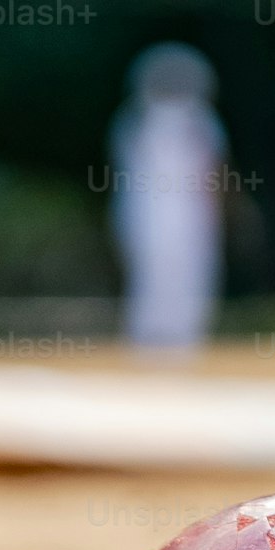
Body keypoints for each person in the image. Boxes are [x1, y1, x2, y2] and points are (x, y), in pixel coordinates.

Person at [110, 44, 225, 354]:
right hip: (168, 213)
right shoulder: (195, 122)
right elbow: (211, 176)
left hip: (156, 213)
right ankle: (173, 339)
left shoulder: (134, 121)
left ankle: (155, 339)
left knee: (158, 276)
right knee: (176, 275)